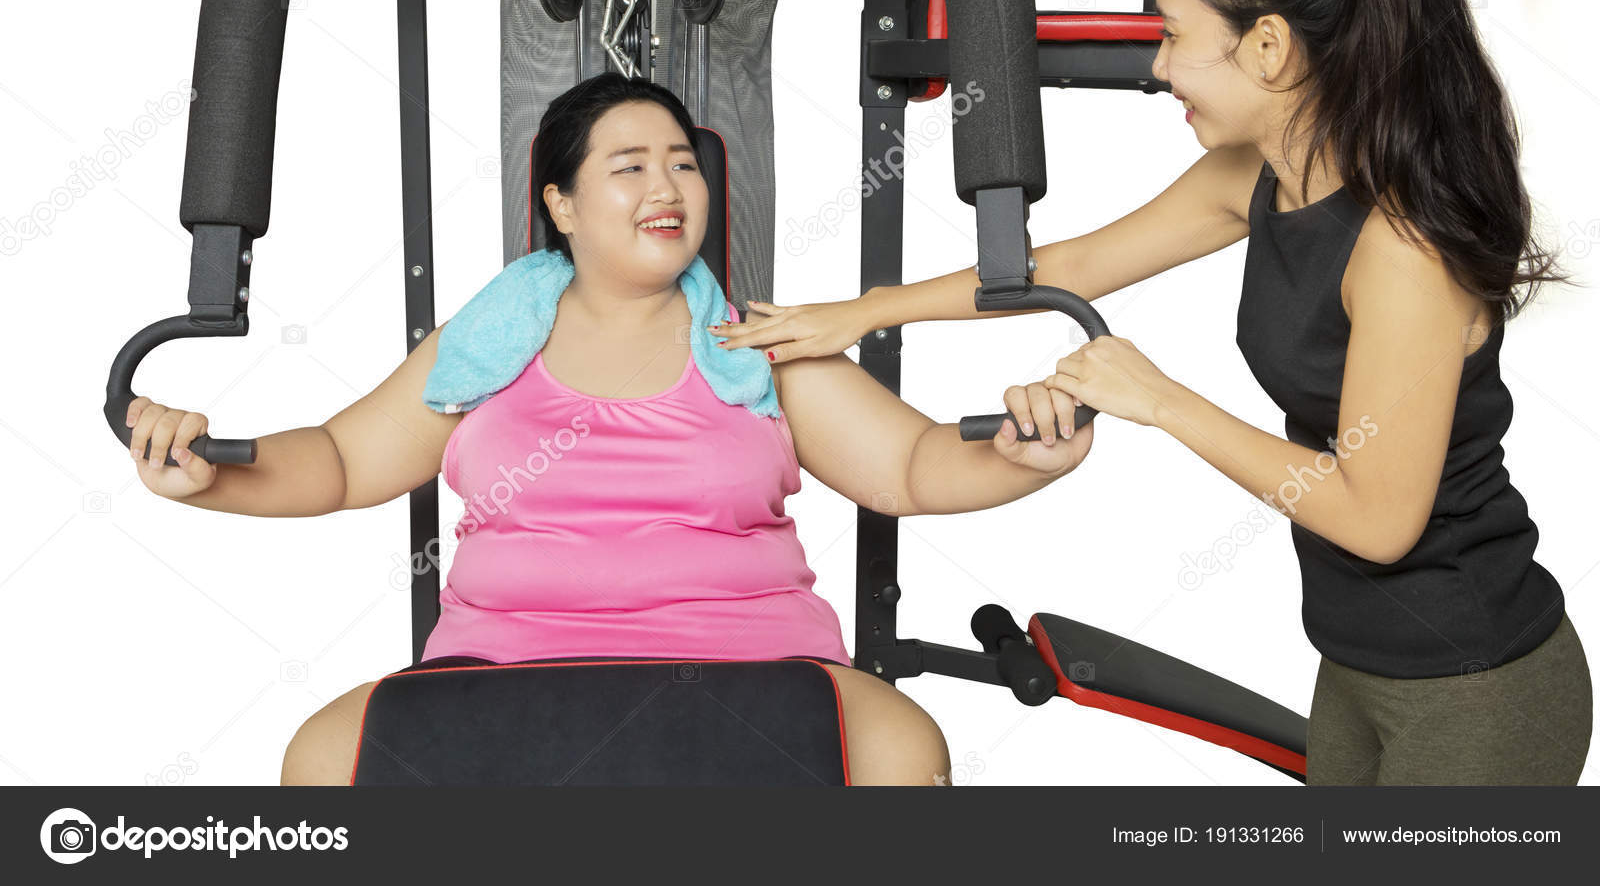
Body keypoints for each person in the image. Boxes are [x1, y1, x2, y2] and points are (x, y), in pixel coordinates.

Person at [711, 0, 1593, 785]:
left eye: (1174, 35)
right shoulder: (1263, 177)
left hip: (1476, 683)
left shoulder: (1402, 251)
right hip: (1357, 663)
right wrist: (862, 314)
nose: (1160, 65)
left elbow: (1377, 520)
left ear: (1268, 47)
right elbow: (1068, 266)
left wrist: (1162, 400)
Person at [125, 72, 1094, 787]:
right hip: (499, 675)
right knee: (322, 759)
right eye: (629, 167)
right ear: (561, 204)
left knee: (899, 749)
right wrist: (207, 469)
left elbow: (914, 467)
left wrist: (1028, 450)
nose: (666, 187)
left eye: (682, 165)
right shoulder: (483, 348)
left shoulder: (758, 344)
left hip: (751, 669)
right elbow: (339, 462)